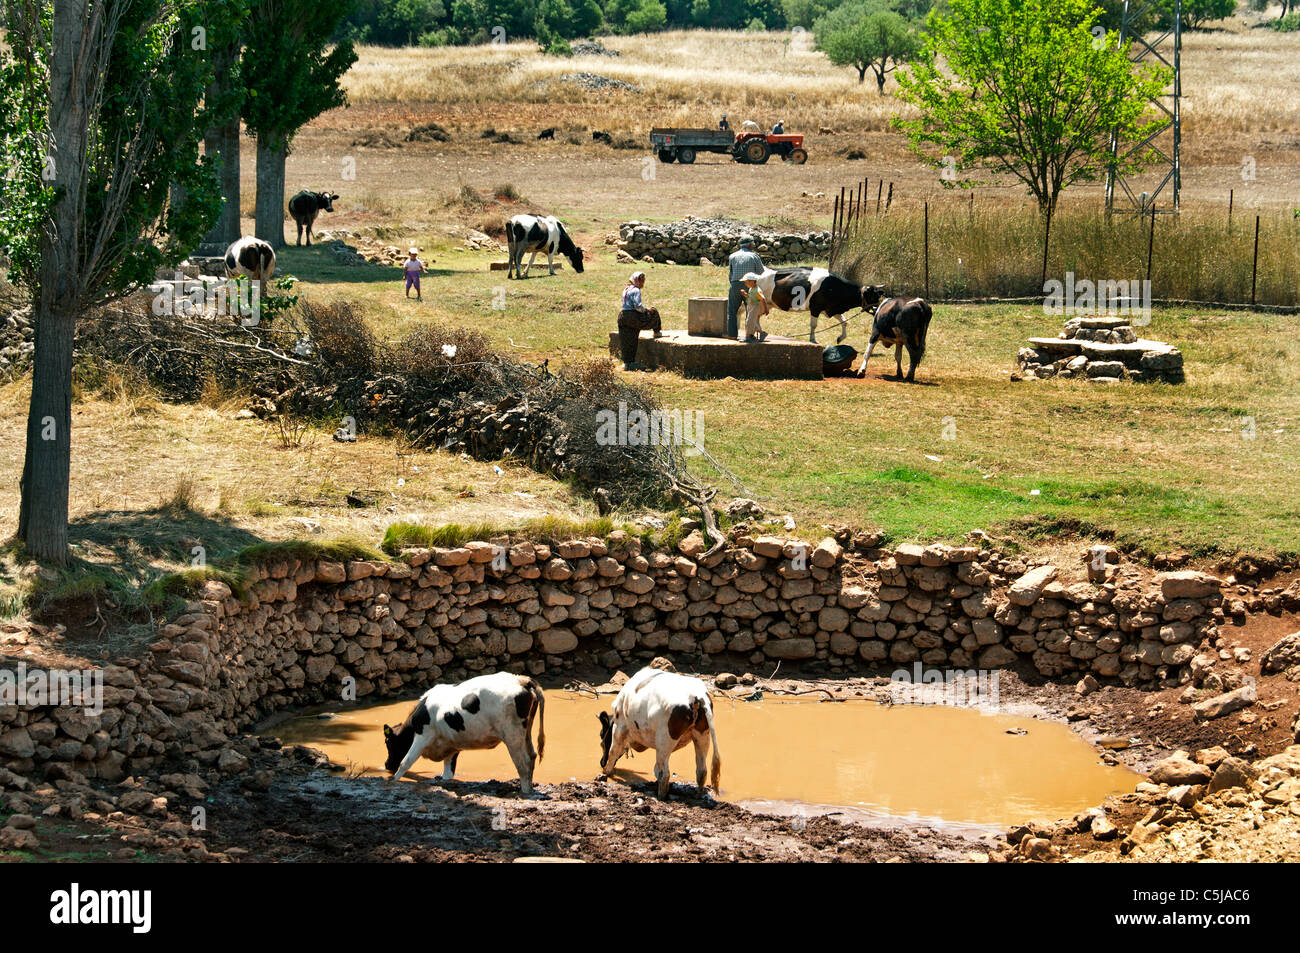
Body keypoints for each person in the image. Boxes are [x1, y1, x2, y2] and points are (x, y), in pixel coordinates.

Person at [617, 271, 661, 371]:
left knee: (628, 339)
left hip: (622, 316)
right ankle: (657, 332)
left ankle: (628, 363)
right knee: (654, 312)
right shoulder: (636, 290)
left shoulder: (626, 289)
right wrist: (646, 310)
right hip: (633, 316)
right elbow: (637, 306)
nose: (643, 284)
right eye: (642, 281)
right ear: (637, 281)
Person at [726, 236, 764, 339]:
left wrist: (734, 284)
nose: (753, 245)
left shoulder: (732, 256)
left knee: (732, 311)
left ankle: (732, 335)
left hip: (735, 283)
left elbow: (731, 273)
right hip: (750, 285)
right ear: (749, 245)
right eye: (752, 243)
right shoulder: (754, 256)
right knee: (750, 311)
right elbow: (761, 272)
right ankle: (749, 335)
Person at [740, 272, 769, 342]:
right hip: (750, 307)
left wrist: (766, 309)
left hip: (754, 307)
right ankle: (756, 334)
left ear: (752, 281)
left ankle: (748, 336)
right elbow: (750, 297)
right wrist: (745, 294)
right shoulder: (751, 289)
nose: (745, 284)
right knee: (752, 322)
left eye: (746, 282)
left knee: (749, 321)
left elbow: (763, 299)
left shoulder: (757, 290)